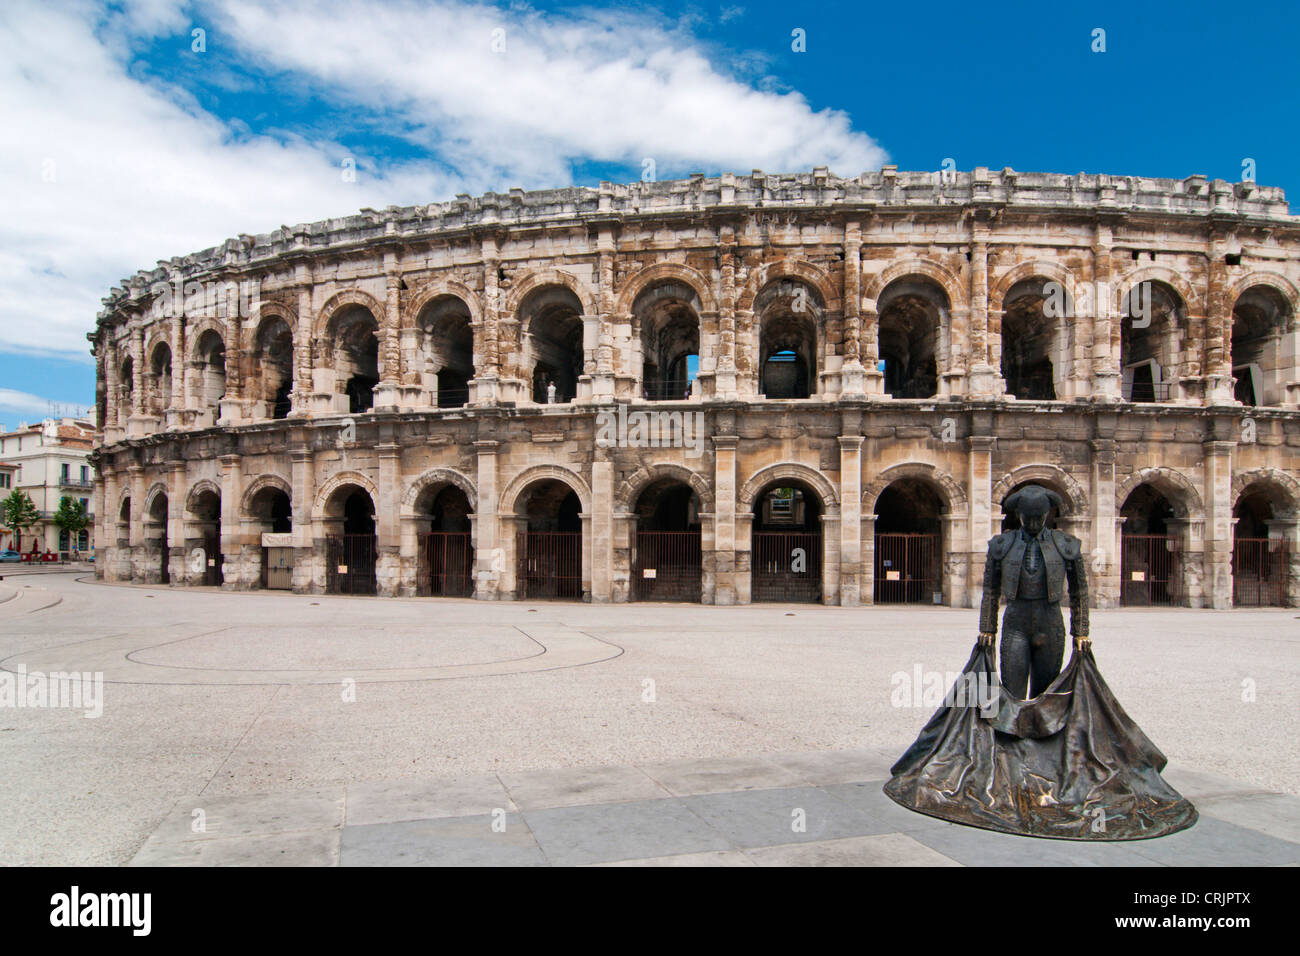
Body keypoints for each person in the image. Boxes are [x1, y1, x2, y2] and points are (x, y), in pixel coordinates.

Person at [977, 485, 1088, 699]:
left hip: (1050, 621)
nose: (1034, 524)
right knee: (1013, 692)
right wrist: (987, 628)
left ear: (1047, 515)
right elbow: (990, 590)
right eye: (1028, 518)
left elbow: (1079, 591)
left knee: (1046, 696)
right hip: (1016, 621)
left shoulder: (1065, 544)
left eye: (1039, 518)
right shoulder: (1002, 544)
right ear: (1020, 516)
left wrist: (1081, 631)